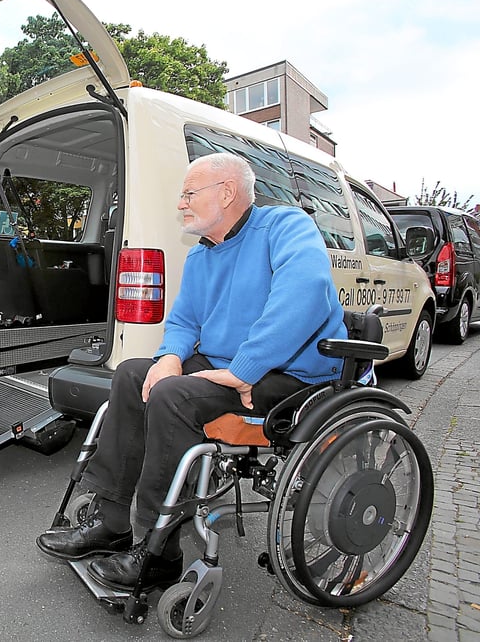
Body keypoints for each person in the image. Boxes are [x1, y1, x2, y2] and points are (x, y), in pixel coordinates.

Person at [36, 153, 347, 592]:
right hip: (227, 365)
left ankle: (160, 549)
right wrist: (168, 357)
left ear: (226, 192)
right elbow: (184, 323)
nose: (180, 203)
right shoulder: (203, 256)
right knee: (131, 376)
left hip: (293, 373)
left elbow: (305, 293)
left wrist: (246, 368)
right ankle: (112, 522)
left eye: (188, 193)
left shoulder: (284, 226)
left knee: (173, 397)